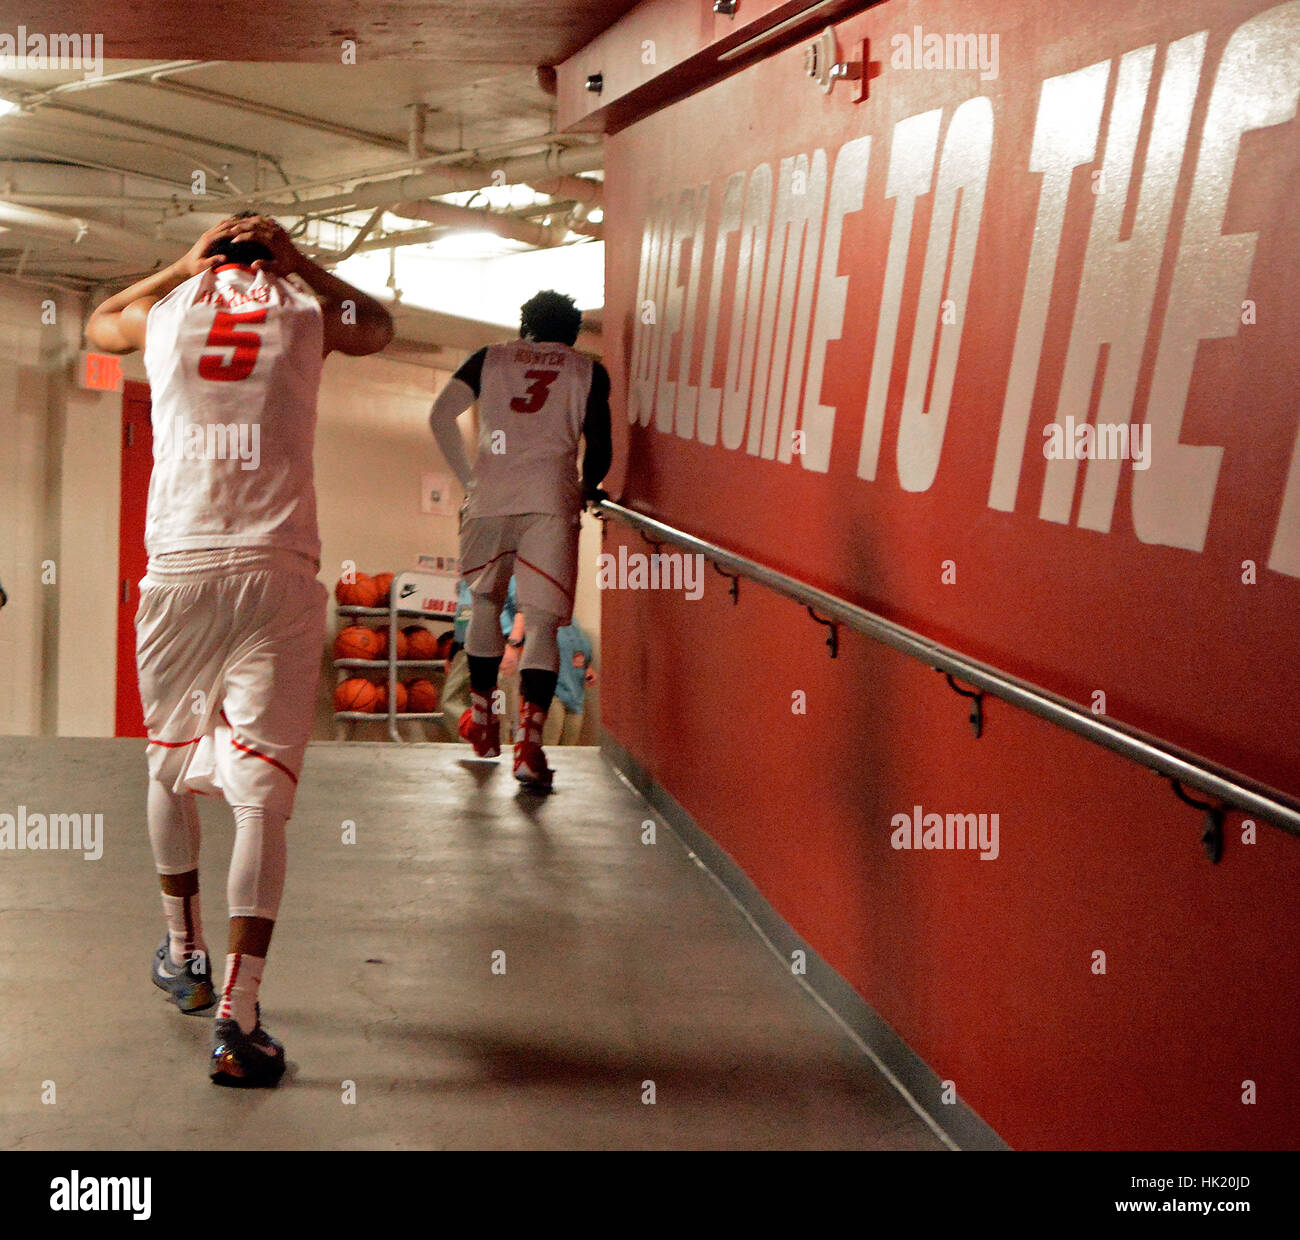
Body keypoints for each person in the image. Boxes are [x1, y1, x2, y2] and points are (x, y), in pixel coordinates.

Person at [86, 213, 392, 1085]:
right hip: (277, 564)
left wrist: (179, 263)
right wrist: (309, 265)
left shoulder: (172, 308)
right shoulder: (302, 311)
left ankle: (182, 953)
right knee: (260, 799)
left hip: (179, 561)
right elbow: (377, 328)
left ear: (213, 259)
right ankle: (239, 1014)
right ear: (275, 261)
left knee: (167, 762)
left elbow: (100, 320)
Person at [429, 289, 611, 790]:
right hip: (550, 499)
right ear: (573, 334)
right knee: (544, 626)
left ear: (523, 326)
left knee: (485, 606)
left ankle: (484, 723)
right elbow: (600, 440)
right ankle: (529, 746)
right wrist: (590, 489)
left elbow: (440, 415)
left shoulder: (490, 356)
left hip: (489, 498)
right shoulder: (587, 369)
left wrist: (469, 480)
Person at [440, 576, 523, 742]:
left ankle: (496, 750)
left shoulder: (508, 572)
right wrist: (453, 654)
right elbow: (463, 617)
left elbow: (523, 611)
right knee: (449, 701)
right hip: (465, 649)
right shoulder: (468, 576)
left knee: (496, 707)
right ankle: (474, 736)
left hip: (495, 646)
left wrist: (513, 646)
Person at [544, 619, 596, 746]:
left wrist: (588, 668)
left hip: (575, 695)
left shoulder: (574, 625)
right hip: (554, 692)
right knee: (550, 747)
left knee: (569, 750)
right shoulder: (547, 622)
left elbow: (582, 653)